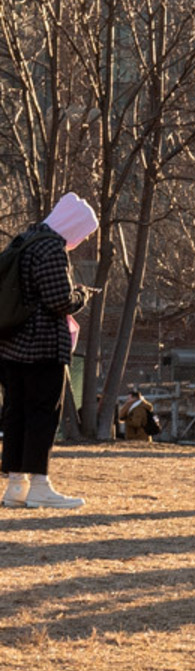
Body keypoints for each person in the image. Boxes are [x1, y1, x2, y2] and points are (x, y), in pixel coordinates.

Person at [0, 193, 98, 508]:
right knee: (43, 414)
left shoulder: (25, 240)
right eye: (84, 232)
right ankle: (40, 484)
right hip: (42, 347)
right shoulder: (50, 248)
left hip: (11, 345)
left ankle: (16, 486)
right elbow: (59, 301)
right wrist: (81, 295)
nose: (82, 239)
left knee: (16, 413)